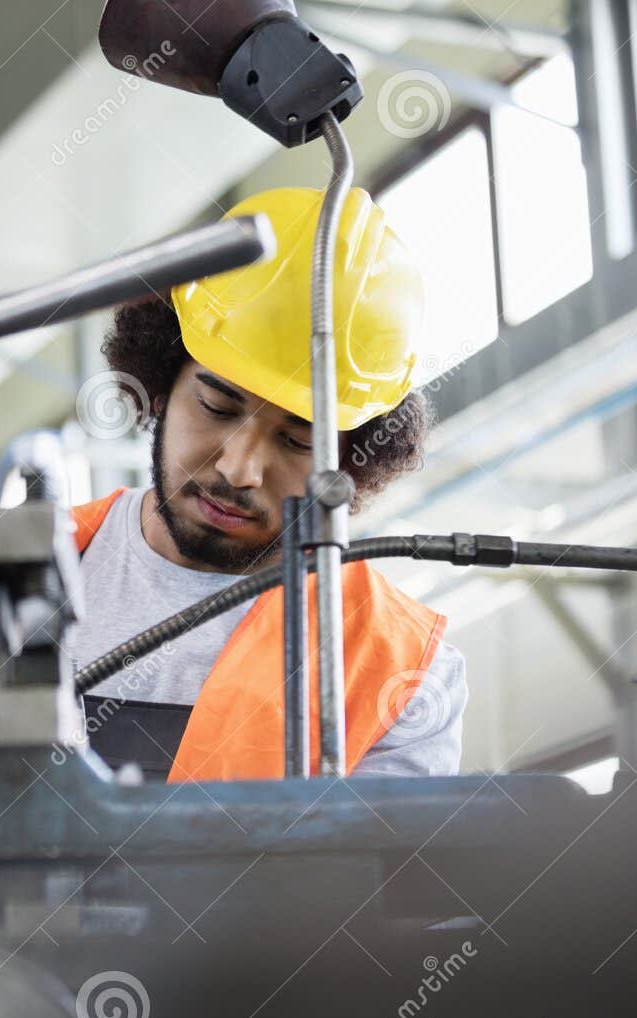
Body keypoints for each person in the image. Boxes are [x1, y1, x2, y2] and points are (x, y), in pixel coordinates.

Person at [65, 186, 466, 781]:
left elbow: (375, 874)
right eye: (217, 405)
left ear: (351, 457)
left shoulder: (402, 674)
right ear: (159, 381)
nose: (239, 470)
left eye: (298, 440)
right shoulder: (6, 577)